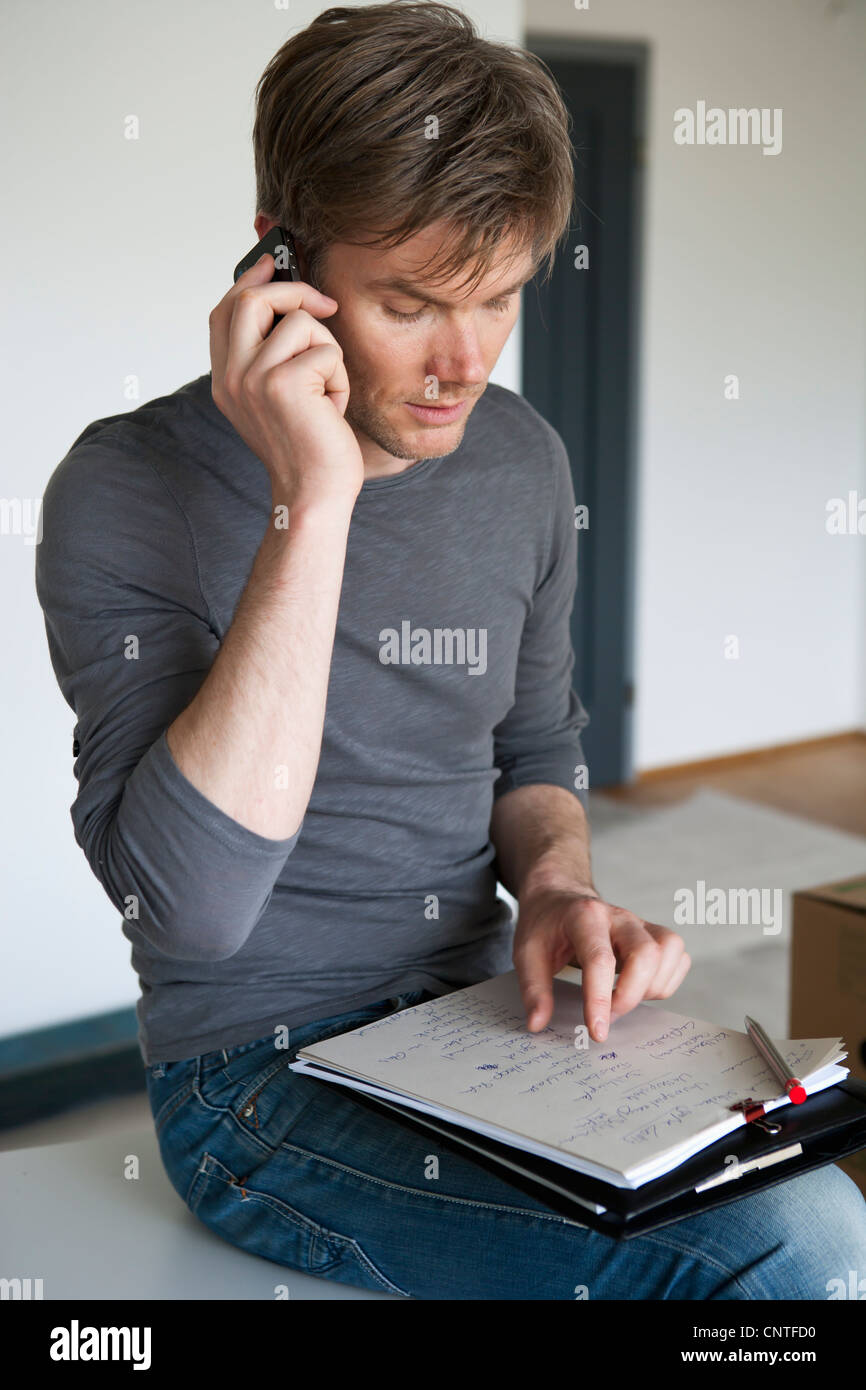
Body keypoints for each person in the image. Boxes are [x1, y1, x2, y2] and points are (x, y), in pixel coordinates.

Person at [35, 1, 866, 1299]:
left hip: (483, 1020)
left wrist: (553, 887)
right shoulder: (122, 487)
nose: (462, 361)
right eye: (411, 304)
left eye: (499, 297)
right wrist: (312, 497)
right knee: (788, 1256)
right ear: (279, 269)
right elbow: (189, 908)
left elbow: (534, 744)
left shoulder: (522, 458)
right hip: (252, 1070)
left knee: (793, 1176)